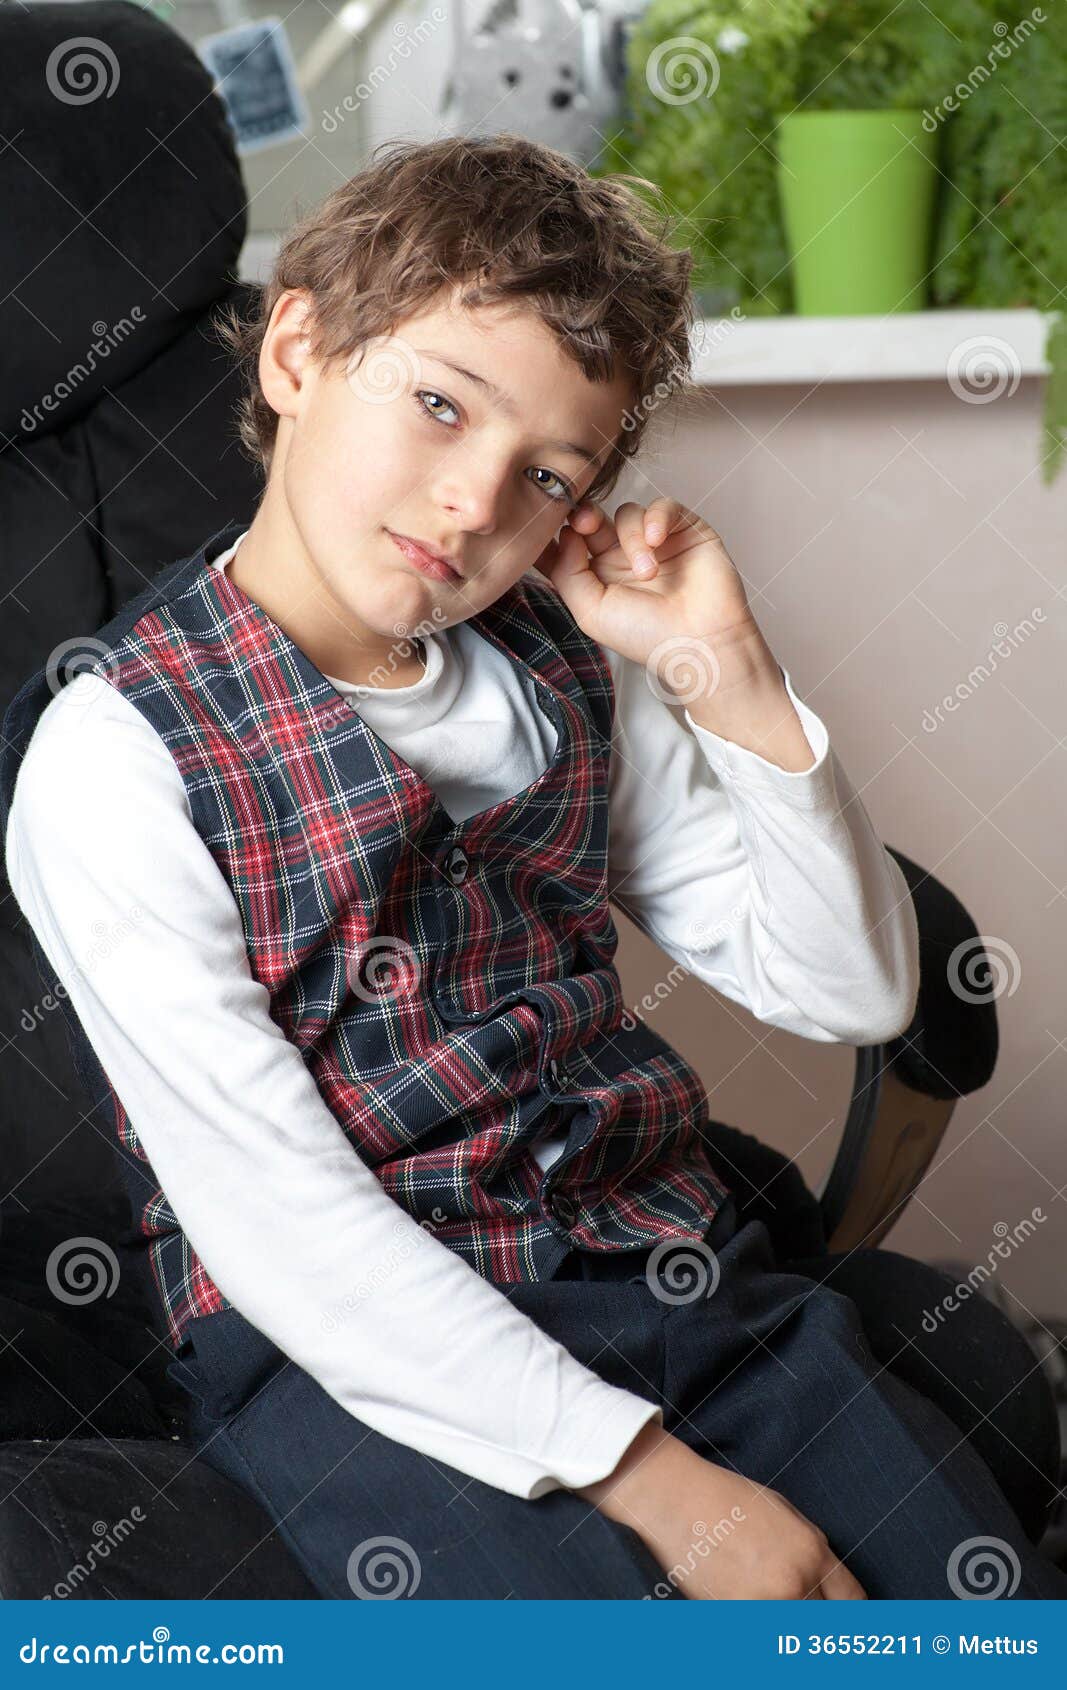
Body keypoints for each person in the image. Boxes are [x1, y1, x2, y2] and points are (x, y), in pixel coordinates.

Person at [2, 134, 1063, 1602]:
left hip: (665, 1263)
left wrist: (729, 672)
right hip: (360, 1350)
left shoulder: (564, 672)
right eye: (438, 405)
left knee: (962, 1593)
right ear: (300, 349)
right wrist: (665, 1487)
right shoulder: (113, 753)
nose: (469, 503)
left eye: (542, 475)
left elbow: (857, 988)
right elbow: (290, 1232)